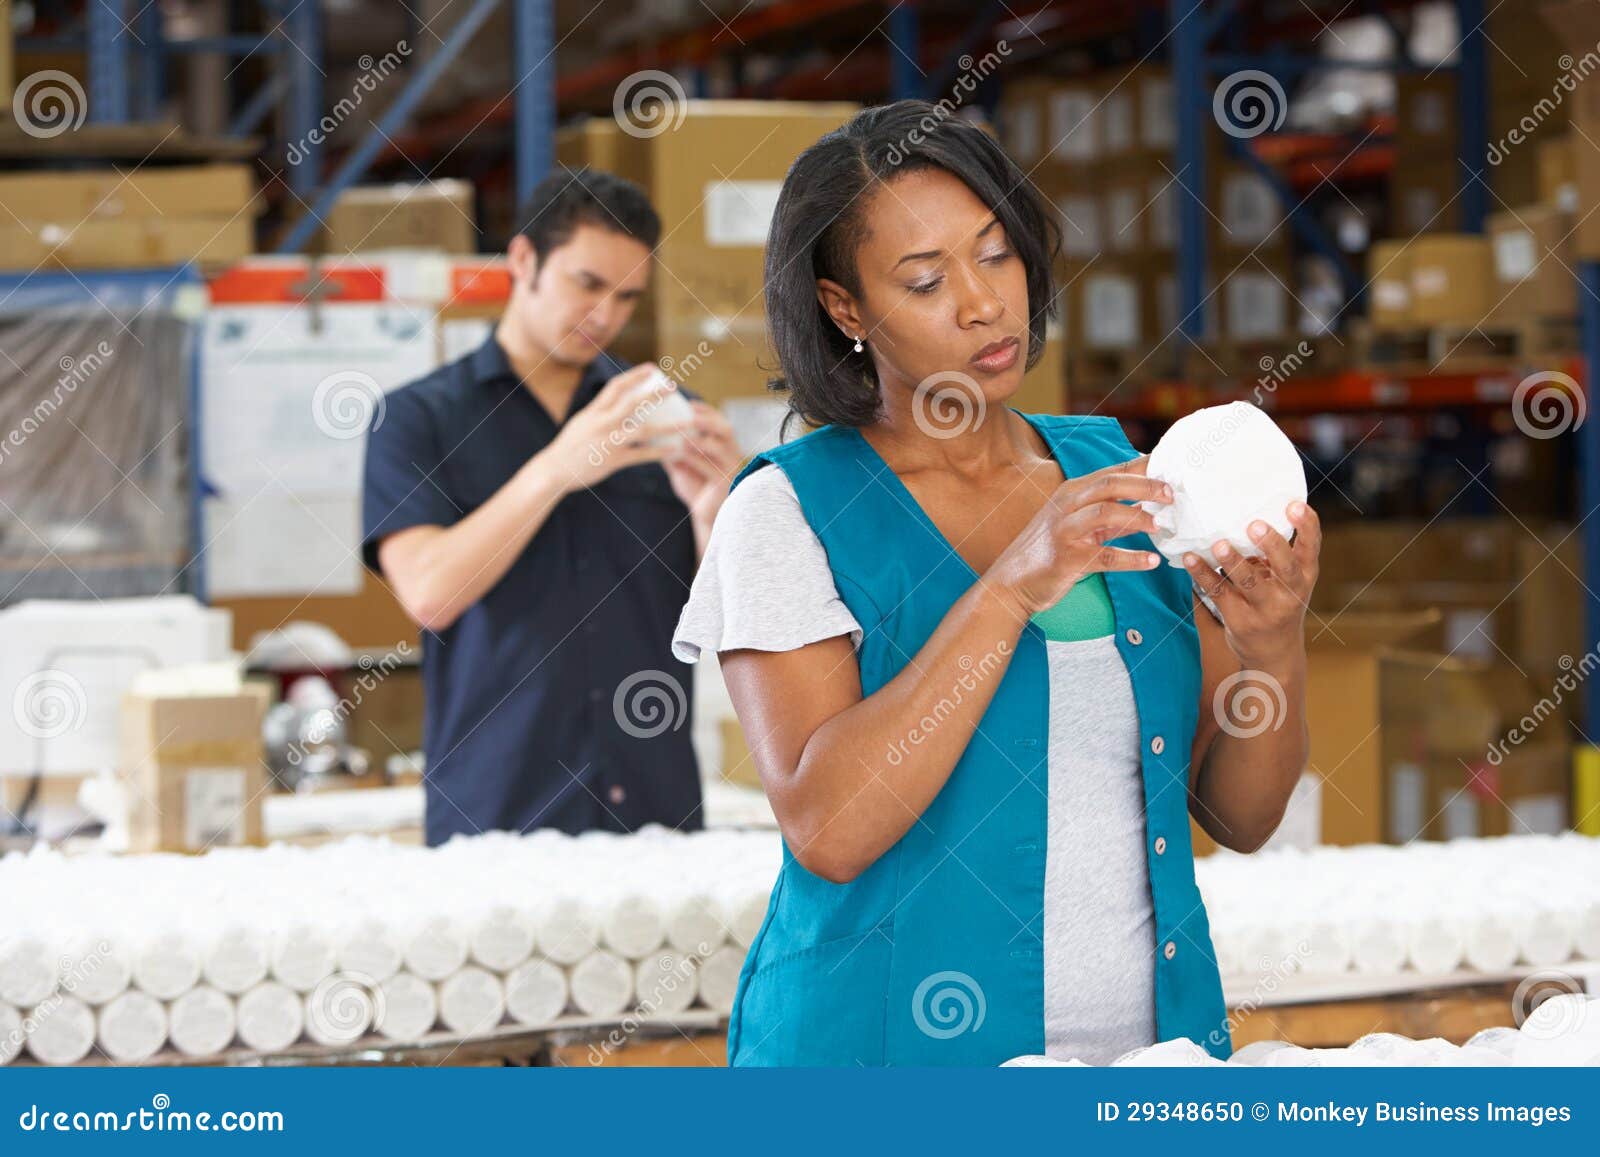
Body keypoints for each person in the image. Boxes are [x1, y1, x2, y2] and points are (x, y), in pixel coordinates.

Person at [672, 103, 1319, 1066]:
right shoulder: (789, 512)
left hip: (1142, 1062)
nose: (983, 304)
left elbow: (1240, 815)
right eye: (926, 281)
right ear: (844, 308)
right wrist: (1010, 586)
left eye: (996, 254)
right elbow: (830, 828)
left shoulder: (1124, 482)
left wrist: (1273, 644)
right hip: (886, 1063)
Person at [363, 167, 743, 846]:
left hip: (654, 812)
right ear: (523, 259)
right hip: (495, 815)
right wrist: (557, 470)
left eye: (628, 296)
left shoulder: (662, 419)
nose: (605, 316)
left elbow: (727, 626)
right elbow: (428, 592)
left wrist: (718, 510)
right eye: (588, 284)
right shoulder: (417, 419)